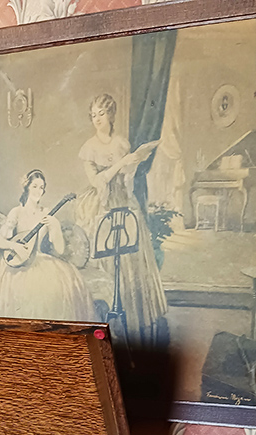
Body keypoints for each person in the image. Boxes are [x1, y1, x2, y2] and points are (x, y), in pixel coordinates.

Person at [76, 93, 168, 348]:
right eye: (93, 115)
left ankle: (133, 323)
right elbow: (97, 182)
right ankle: (106, 325)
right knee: (105, 256)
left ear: (112, 115)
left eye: (101, 114)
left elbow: (127, 179)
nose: (96, 119)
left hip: (122, 202)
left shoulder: (121, 143)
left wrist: (130, 165)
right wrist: (120, 166)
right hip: (101, 204)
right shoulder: (88, 148)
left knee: (131, 255)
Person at [0, 169, 93, 321]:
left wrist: (54, 226)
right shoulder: (16, 212)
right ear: (26, 187)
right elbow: (0, 242)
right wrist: (15, 246)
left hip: (40, 260)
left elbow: (60, 250)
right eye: (34, 186)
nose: (38, 191)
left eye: (41, 187)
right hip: (17, 259)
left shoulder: (47, 213)